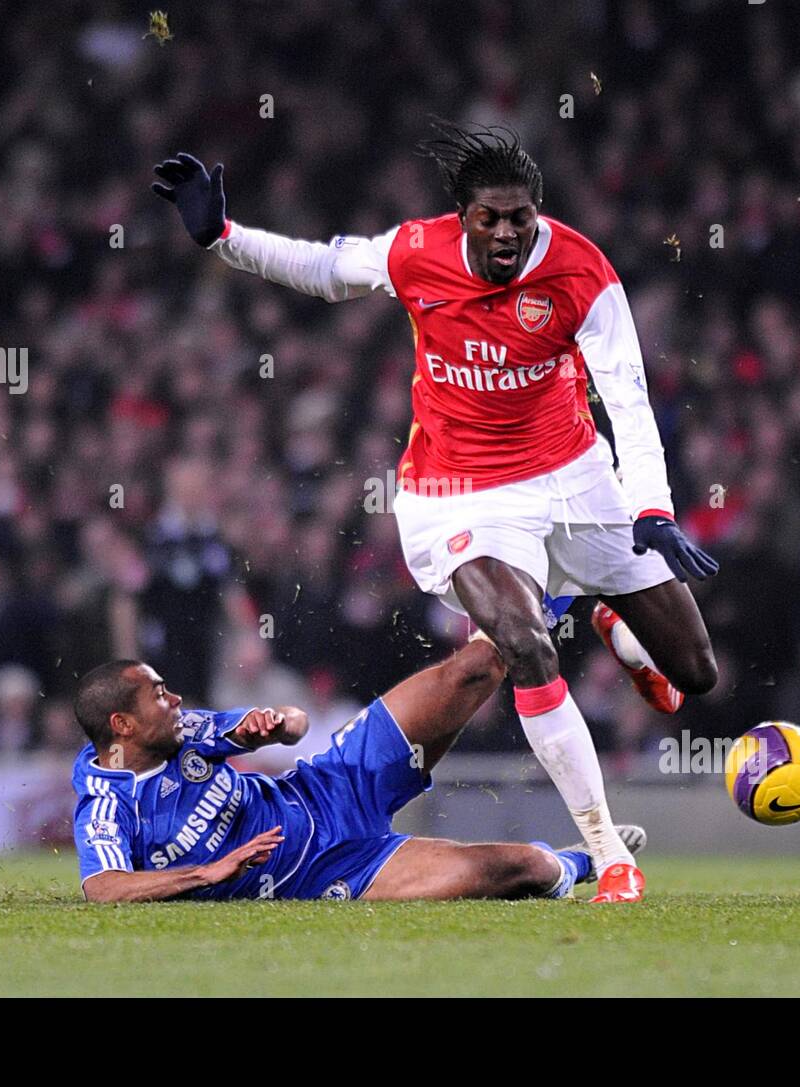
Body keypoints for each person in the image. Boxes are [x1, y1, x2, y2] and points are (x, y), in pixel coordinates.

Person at [151, 119, 718, 902]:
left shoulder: (582, 271)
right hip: (463, 493)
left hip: (575, 481)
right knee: (522, 644)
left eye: (521, 217)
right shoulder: (416, 251)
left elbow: (628, 393)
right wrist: (222, 234)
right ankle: (608, 847)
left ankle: (597, 608)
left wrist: (650, 507)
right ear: (464, 216)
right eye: (491, 217)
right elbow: (322, 269)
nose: (508, 232)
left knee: (696, 671)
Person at [71, 638, 645, 903]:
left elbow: (295, 723)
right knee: (527, 867)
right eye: (158, 695)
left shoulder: (183, 731)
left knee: (476, 666)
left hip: (334, 782)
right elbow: (103, 887)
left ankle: (571, 588)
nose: (174, 700)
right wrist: (209, 873)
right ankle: (587, 859)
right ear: (121, 726)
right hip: (336, 872)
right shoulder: (107, 802)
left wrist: (274, 725)